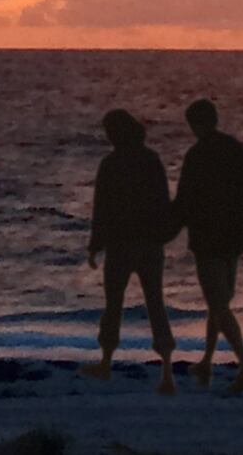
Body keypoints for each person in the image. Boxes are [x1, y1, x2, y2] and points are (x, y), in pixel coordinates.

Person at [82, 108, 180, 391]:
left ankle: (106, 362)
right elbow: (163, 202)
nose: (108, 137)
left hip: (121, 245)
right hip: (149, 245)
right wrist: (164, 235)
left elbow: (102, 209)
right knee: (155, 305)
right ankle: (166, 374)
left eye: (110, 132)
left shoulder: (111, 164)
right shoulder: (151, 160)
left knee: (114, 305)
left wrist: (94, 246)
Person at [170, 97, 243, 391]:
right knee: (218, 303)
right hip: (234, 238)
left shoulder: (197, 155)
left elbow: (184, 201)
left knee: (218, 304)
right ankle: (206, 362)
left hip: (208, 239)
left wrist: (165, 229)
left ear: (196, 124)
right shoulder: (236, 150)